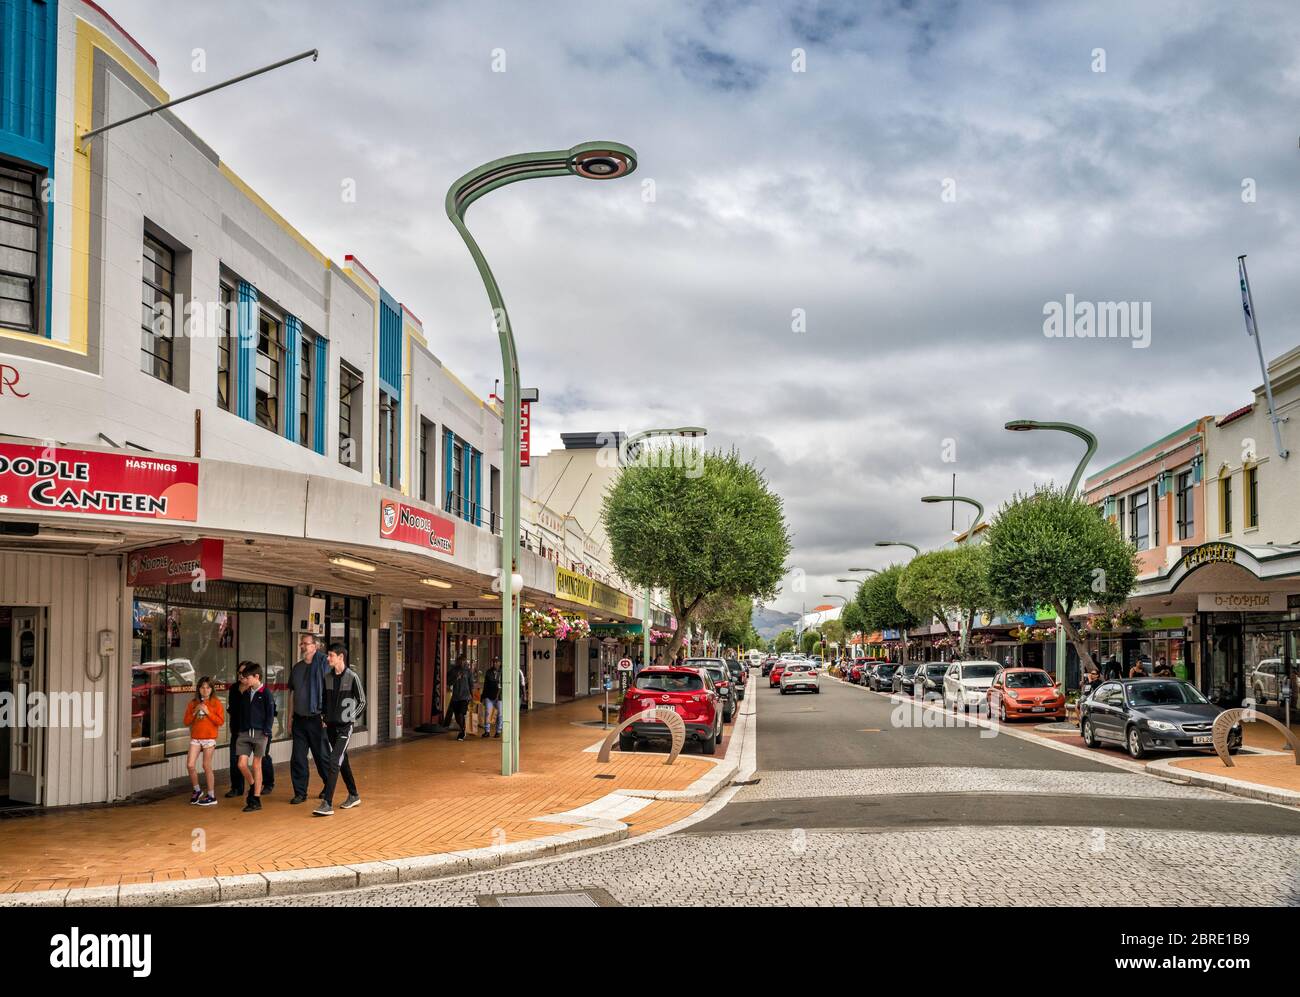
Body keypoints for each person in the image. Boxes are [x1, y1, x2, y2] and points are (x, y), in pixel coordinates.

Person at [314, 643, 366, 817]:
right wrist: (323, 716)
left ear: (340, 657)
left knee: (334, 760)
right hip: (330, 727)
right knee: (342, 761)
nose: (328, 658)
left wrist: (351, 718)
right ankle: (353, 795)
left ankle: (327, 803)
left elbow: (362, 701)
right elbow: (323, 699)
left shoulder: (352, 677)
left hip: (345, 728)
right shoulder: (327, 677)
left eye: (330, 655)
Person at [288, 632, 331, 805]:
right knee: (298, 757)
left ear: (315, 646)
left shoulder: (323, 664)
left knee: (321, 757)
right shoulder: (297, 668)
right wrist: (289, 718)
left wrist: (326, 715)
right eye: (301, 644)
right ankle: (300, 792)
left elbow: (329, 692)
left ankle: (329, 785)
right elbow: (292, 694)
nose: (303, 647)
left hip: (317, 719)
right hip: (299, 719)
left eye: (306, 643)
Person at [225, 664, 274, 798]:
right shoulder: (245, 692)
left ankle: (255, 797)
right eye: (241, 676)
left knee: (257, 764)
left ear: (256, 676)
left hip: (260, 734)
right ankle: (253, 785)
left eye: (246, 677)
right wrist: (241, 729)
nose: (243, 679)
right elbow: (240, 711)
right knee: (241, 764)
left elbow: (270, 714)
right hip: (244, 732)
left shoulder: (266, 693)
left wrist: (266, 732)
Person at [184, 677, 224, 806]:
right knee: (190, 765)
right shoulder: (193, 703)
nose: (205, 690)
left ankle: (211, 795)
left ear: (211, 689)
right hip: (196, 738)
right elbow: (186, 722)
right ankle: (197, 790)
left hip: (209, 739)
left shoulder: (216, 703)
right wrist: (196, 711)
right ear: (198, 689)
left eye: (208, 687)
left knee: (206, 765)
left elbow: (220, 722)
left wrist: (208, 712)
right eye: (202, 687)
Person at [446, 655, 474, 741]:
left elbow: (471, 684)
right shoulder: (453, 670)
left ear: (465, 661)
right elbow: (448, 682)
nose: (462, 662)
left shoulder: (468, 671)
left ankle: (462, 732)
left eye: (463, 661)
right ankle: (463, 728)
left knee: (461, 714)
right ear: (457, 661)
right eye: (460, 661)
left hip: (465, 696)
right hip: (455, 697)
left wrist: (471, 696)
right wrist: (456, 678)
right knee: (457, 716)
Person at [481, 657, 503, 738]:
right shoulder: (488, 672)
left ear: (500, 663)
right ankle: (487, 731)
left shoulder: (503, 672)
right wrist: (483, 696)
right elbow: (485, 685)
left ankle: (498, 731)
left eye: (497, 662)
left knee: (500, 714)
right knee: (488, 713)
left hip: (499, 697)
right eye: (494, 662)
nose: (495, 663)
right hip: (489, 696)